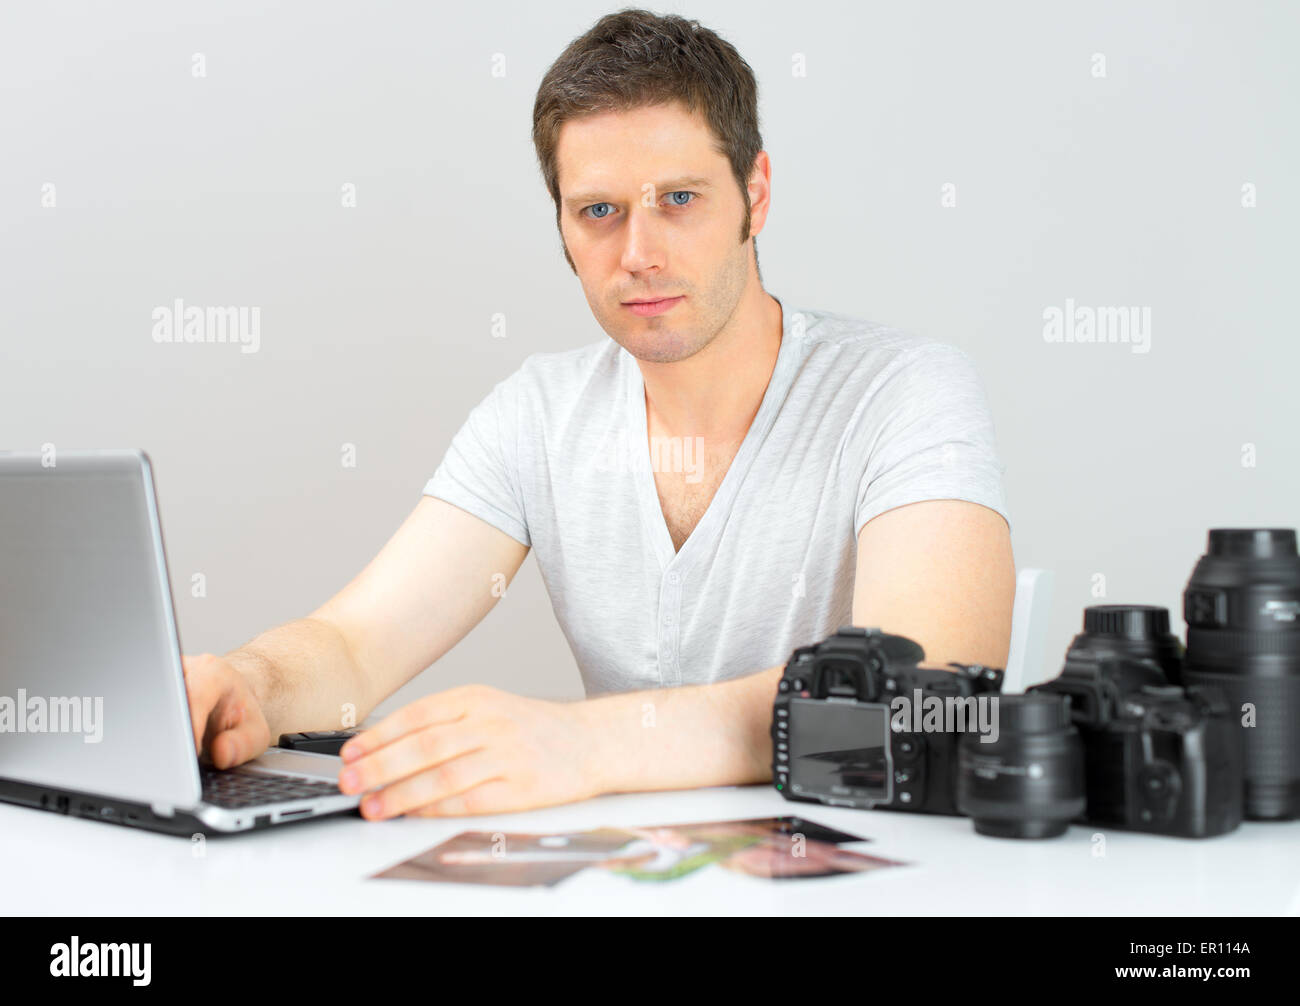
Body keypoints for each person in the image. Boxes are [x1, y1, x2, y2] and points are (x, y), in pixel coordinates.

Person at [182, 9, 1016, 820]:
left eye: (680, 199)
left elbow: (926, 702)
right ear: (563, 229)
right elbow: (353, 646)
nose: (639, 254)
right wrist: (248, 682)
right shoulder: (538, 415)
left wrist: (586, 745)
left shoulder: (903, 392)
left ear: (755, 195)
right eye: (599, 211)